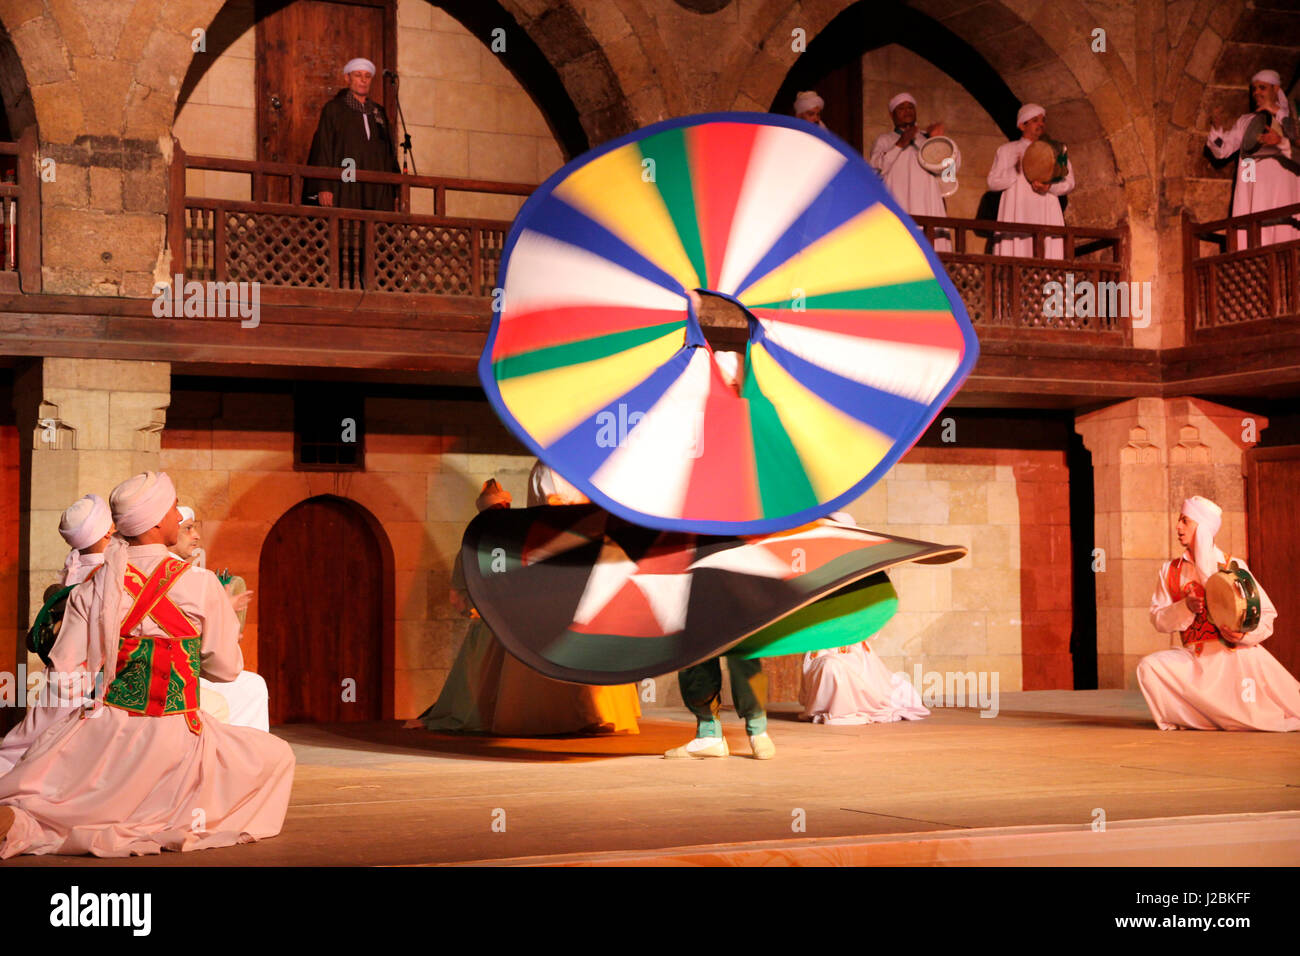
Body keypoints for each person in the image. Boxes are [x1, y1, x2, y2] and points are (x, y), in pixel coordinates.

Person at [0, 472, 295, 857]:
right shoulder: (202, 584)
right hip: (177, 734)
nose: (178, 516)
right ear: (157, 520)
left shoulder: (93, 586)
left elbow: (67, 676)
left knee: (57, 791)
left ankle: (58, 808)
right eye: (174, 508)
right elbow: (225, 670)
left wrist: (38, 742)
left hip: (107, 730)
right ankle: (162, 811)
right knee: (276, 756)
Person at [408, 476, 641, 736]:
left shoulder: (519, 537)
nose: (502, 513)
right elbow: (462, 589)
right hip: (494, 618)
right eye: (496, 510)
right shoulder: (474, 545)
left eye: (504, 508)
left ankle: (584, 716)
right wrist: (480, 609)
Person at [1137, 495, 1300, 732]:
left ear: (1202, 527)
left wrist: (1243, 637)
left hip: (1234, 657)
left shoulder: (1233, 566)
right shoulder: (1169, 571)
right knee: (1149, 667)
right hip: (1195, 657)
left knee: (1261, 712)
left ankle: (1220, 715)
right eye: (1179, 520)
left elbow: (1266, 615)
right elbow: (1158, 619)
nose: (1178, 527)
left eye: (1185, 521)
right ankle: (1204, 718)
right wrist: (1185, 607)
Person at [0, 495, 112, 776]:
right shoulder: (106, 575)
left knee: (29, 741)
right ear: (109, 531)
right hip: (88, 676)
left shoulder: (73, 569)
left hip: (61, 675)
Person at [173, 505, 270, 732]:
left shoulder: (114, 573)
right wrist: (225, 617)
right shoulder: (194, 579)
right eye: (188, 529)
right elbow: (222, 667)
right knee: (251, 686)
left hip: (133, 683)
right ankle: (237, 761)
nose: (196, 536)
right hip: (171, 684)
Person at [1206, 69, 1300, 246]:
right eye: (1254, 89)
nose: (1256, 93)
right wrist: (1217, 129)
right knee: (1254, 230)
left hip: (1283, 187)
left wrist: (1279, 133)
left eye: (1262, 88)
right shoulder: (1246, 121)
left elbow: (1296, 143)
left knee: (1282, 232)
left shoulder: (1290, 118)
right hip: (1254, 185)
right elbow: (1222, 150)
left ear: (1276, 89)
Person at [305, 57, 400, 211]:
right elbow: (323, 148)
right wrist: (324, 186)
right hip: (346, 182)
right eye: (358, 75)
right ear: (347, 78)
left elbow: (389, 153)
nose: (363, 80)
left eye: (367, 76)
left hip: (376, 188)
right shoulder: (334, 109)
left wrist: (395, 191)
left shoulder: (378, 112)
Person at [869, 92, 956, 251]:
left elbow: (948, 176)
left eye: (910, 107)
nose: (907, 111)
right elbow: (876, 172)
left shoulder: (927, 139)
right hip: (900, 203)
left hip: (928, 204)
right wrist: (900, 144)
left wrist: (942, 146)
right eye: (901, 108)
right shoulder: (885, 140)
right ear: (891, 115)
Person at [987, 103, 1075, 258]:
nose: (1041, 124)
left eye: (1043, 120)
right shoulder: (1007, 150)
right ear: (1022, 125)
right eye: (1035, 120)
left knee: (1047, 255)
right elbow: (993, 183)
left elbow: (1069, 183)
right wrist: (1015, 169)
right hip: (1017, 213)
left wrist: (1049, 188)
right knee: (1017, 251)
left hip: (1046, 211)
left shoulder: (1057, 150)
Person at [799, 642, 929, 725]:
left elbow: (858, 656)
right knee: (830, 665)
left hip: (852, 656)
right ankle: (831, 706)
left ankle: (850, 703)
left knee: (899, 692)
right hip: (824, 653)